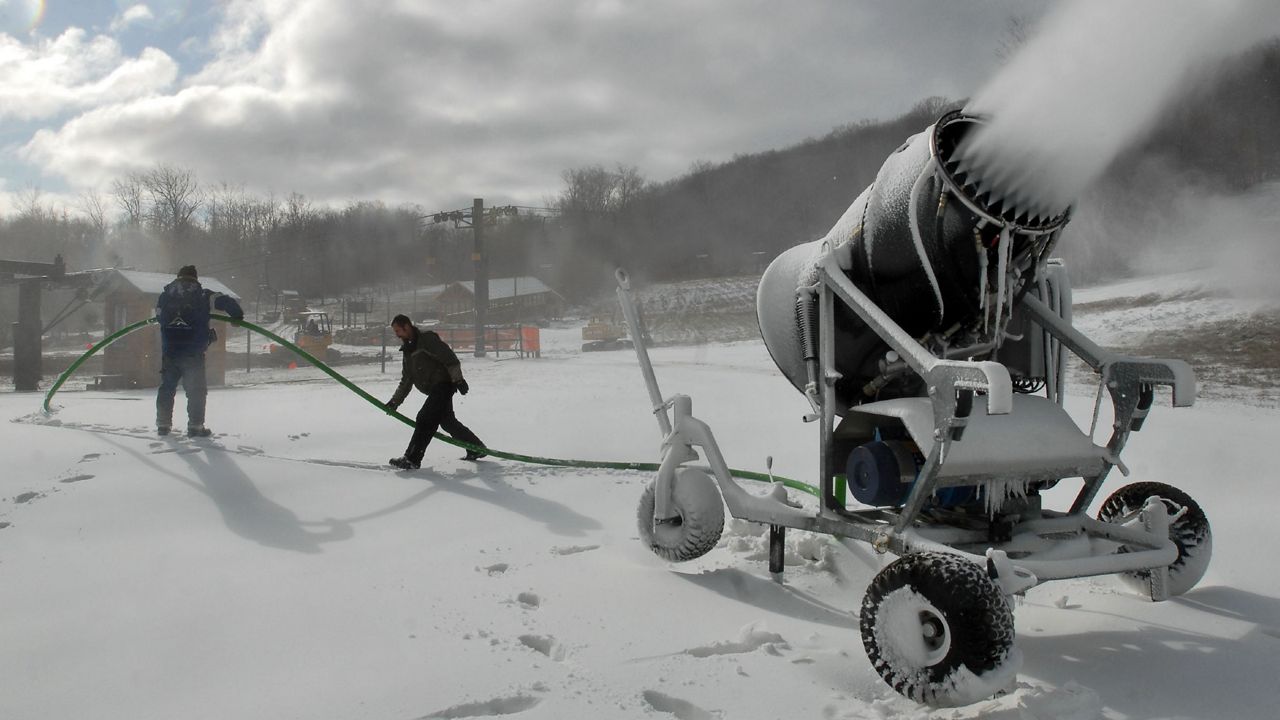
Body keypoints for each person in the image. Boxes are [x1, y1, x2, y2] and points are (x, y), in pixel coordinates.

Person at [385, 314, 486, 469]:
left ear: (407, 326)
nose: (397, 335)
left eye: (398, 330)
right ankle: (476, 448)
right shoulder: (408, 351)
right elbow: (406, 380)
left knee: (425, 418)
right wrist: (394, 402)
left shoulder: (426, 340)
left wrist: (458, 379)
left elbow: (449, 357)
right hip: (434, 389)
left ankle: (412, 458)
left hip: (444, 385)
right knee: (447, 422)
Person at [155, 265, 244, 437]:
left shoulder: (165, 296)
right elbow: (226, 301)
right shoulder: (203, 294)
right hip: (192, 352)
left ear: (178, 277)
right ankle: (195, 426)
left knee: (167, 388)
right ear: (195, 279)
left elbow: (160, 317)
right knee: (196, 390)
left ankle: (163, 424)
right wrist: (236, 316)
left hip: (170, 352)